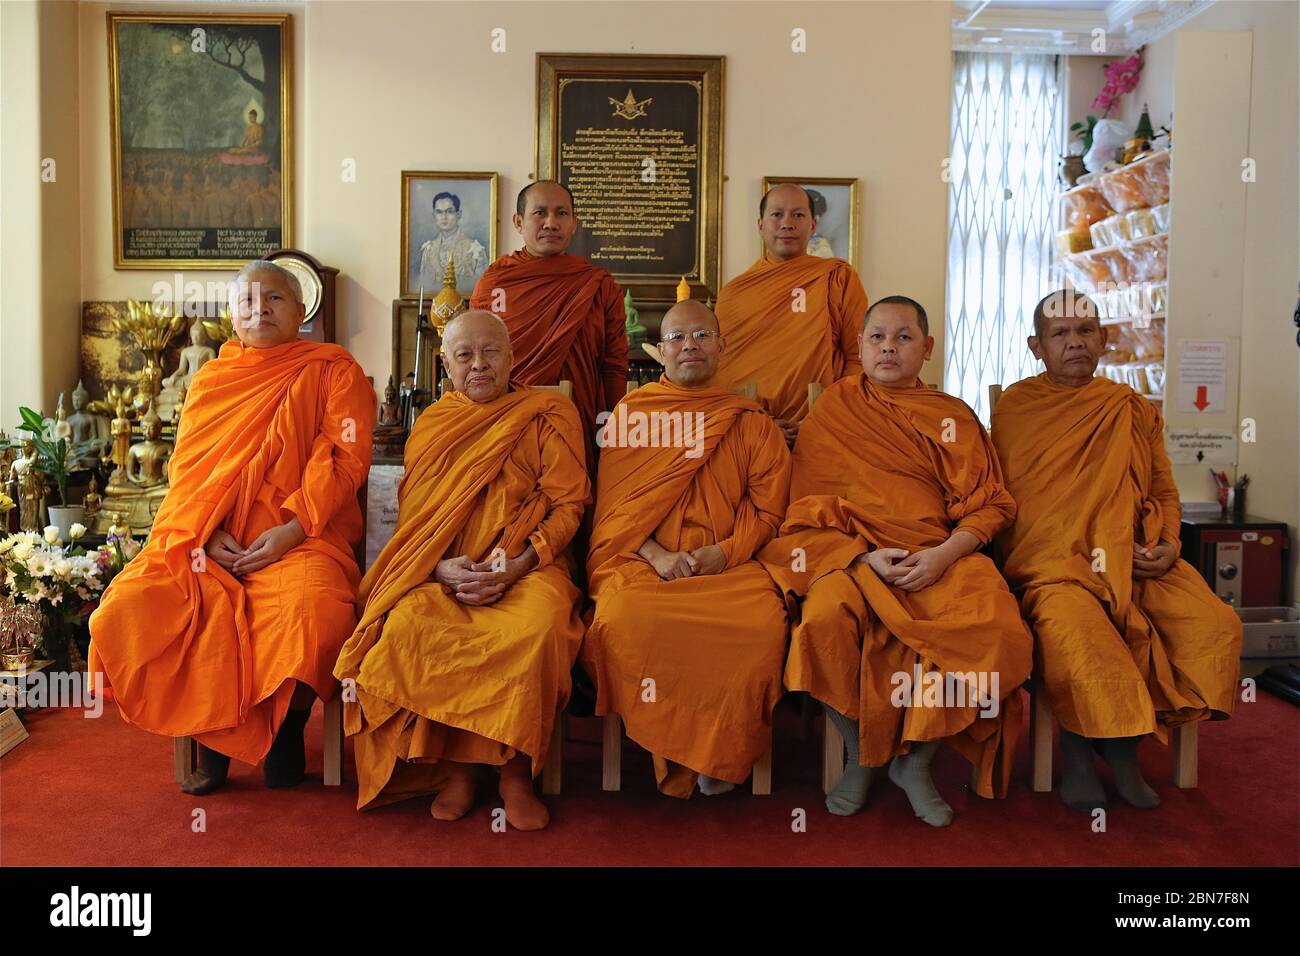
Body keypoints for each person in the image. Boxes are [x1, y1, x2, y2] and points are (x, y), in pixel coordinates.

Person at [89, 259, 375, 795]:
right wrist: (205, 531)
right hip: (211, 538)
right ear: (231, 314)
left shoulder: (335, 370)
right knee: (134, 603)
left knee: (311, 612)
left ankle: (285, 727)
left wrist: (292, 529)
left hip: (303, 541)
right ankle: (211, 733)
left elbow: (344, 458)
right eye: (247, 300)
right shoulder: (212, 380)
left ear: (301, 310)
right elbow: (188, 470)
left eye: (274, 299)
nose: (259, 308)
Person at [760, 295, 1032, 826]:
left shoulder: (952, 417)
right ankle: (863, 752)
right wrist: (861, 560)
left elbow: (992, 503)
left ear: (926, 348)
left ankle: (917, 762)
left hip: (939, 553)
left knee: (998, 627)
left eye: (903, 337)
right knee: (820, 621)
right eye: (877, 337)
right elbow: (803, 511)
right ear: (859, 346)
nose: (888, 347)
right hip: (849, 554)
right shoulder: (833, 411)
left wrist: (944, 555)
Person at [336, 311, 589, 830]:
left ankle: (515, 771)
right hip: (446, 570)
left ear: (512, 357)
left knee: (536, 629)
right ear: (444, 365)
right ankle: (458, 769)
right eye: (464, 355)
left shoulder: (546, 413)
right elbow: (418, 523)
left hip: (529, 568)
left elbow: (570, 505)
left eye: (491, 352)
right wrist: (441, 568)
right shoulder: (432, 425)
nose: (479, 365)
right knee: (410, 625)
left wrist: (519, 562)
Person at [991, 289, 1242, 811]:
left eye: (1086, 331)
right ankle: (1100, 755)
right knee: (1082, 632)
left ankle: (1121, 733)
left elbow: (1164, 492)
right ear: (1036, 347)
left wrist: (1170, 545)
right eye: (1060, 334)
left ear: (1104, 340)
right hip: (1051, 565)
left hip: (1134, 560)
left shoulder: (1129, 408)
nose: (1075, 342)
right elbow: (1005, 499)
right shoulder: (1017, 406)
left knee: (1212, 623)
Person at [582, 300, 792, 797]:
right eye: (677, 338)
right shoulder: (633, 415)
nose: (689, 346)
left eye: (701, 336)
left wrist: (727, 552)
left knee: (762, 625)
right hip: (643, 563)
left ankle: (718, 750)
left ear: (722, 346)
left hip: (731, 568)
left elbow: (771, 512)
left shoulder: (749, 419)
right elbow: (615, 511)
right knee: (624, 618)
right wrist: (656, 556)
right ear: (659, 353)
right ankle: (672, 746)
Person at [470, 181, 627, 467]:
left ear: (574, 223)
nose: (551, 223)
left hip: (578, 421)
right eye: (540, 213)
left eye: (562, 214)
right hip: (507, 422)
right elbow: (477, 358)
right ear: (518, 222)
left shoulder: (598, 285)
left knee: (571, 500)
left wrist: (613, 427)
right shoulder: (496, 283)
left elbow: (614, 363)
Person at [713, 183, 869, 446]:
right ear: (760, 225)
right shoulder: (734, 294)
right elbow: (723, 374)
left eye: (798, 215)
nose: (787, 223)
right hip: (750, 432)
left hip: (824, 427)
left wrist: (827, 415)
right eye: (777, 215)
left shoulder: (838, 278)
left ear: (813, 225)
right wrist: (757, 423)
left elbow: (859, 357)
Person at [417, 191, 488, 293]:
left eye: (449, 211)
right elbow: (423, 287)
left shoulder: (474, 250)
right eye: (439, 212)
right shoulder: (428, 249)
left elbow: (483, 290)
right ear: (434, 215)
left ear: (458, 215)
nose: (444, 217)